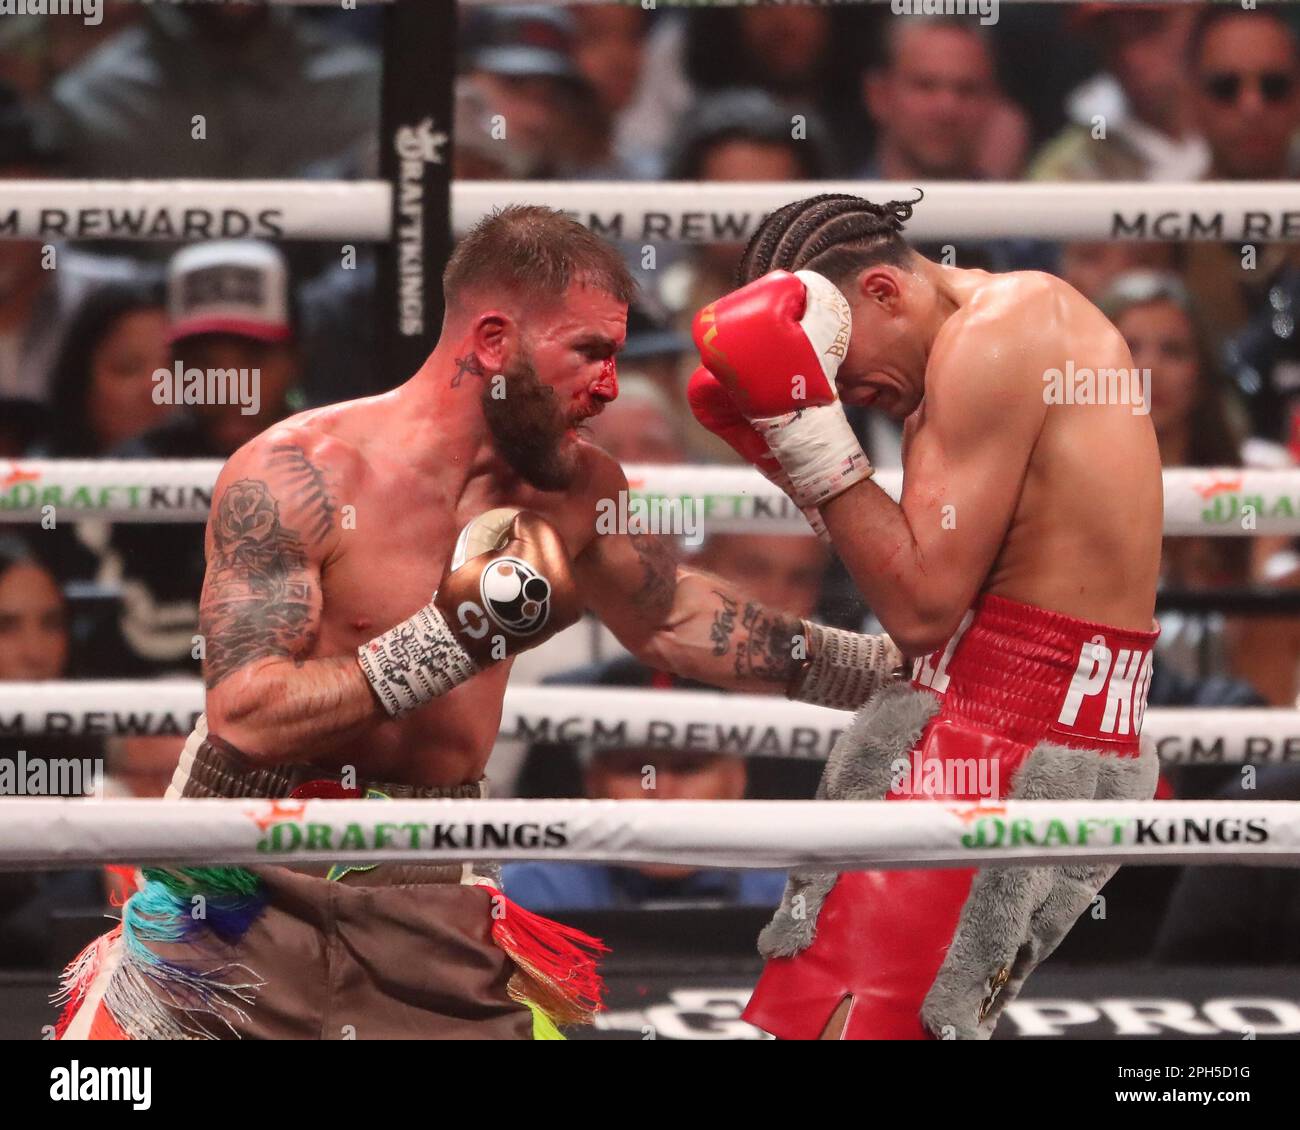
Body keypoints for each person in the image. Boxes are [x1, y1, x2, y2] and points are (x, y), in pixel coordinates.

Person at [56, 206, 902, 1042]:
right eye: (590, 352)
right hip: (239, 867)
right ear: (493, 342)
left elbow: (675, 618)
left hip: (429, 867)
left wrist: (896, 673)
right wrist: (448, 639)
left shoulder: (578, 491)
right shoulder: (298, 471)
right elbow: (246, 711)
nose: (608, 385)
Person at [689, 192, 1163, 1040]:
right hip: (1068, 730)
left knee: (844, 1028)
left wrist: (800, 430)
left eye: (837, 372)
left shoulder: (996, 332)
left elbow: (921, 605)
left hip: (990, 744)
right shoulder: (1012, 330)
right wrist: (795, 443)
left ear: (881, 290)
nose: (844, 398)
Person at [1029, 4, 1207, 182]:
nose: (1131, 57)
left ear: (1195, 21)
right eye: (1109, 36)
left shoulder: (1232, 133)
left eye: (1149, 27)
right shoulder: (1070, 170)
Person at [857, 16, 1029, 181]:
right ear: (879, 96)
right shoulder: (836, 210)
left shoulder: (1021, 211)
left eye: (967, 90)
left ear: (993, 102)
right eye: (925, 86)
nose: (946, 109)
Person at [34, 282, 172, 457]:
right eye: (127, 368)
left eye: (174, 368)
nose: (156, 389)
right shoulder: (34, 475)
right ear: (80, 383)